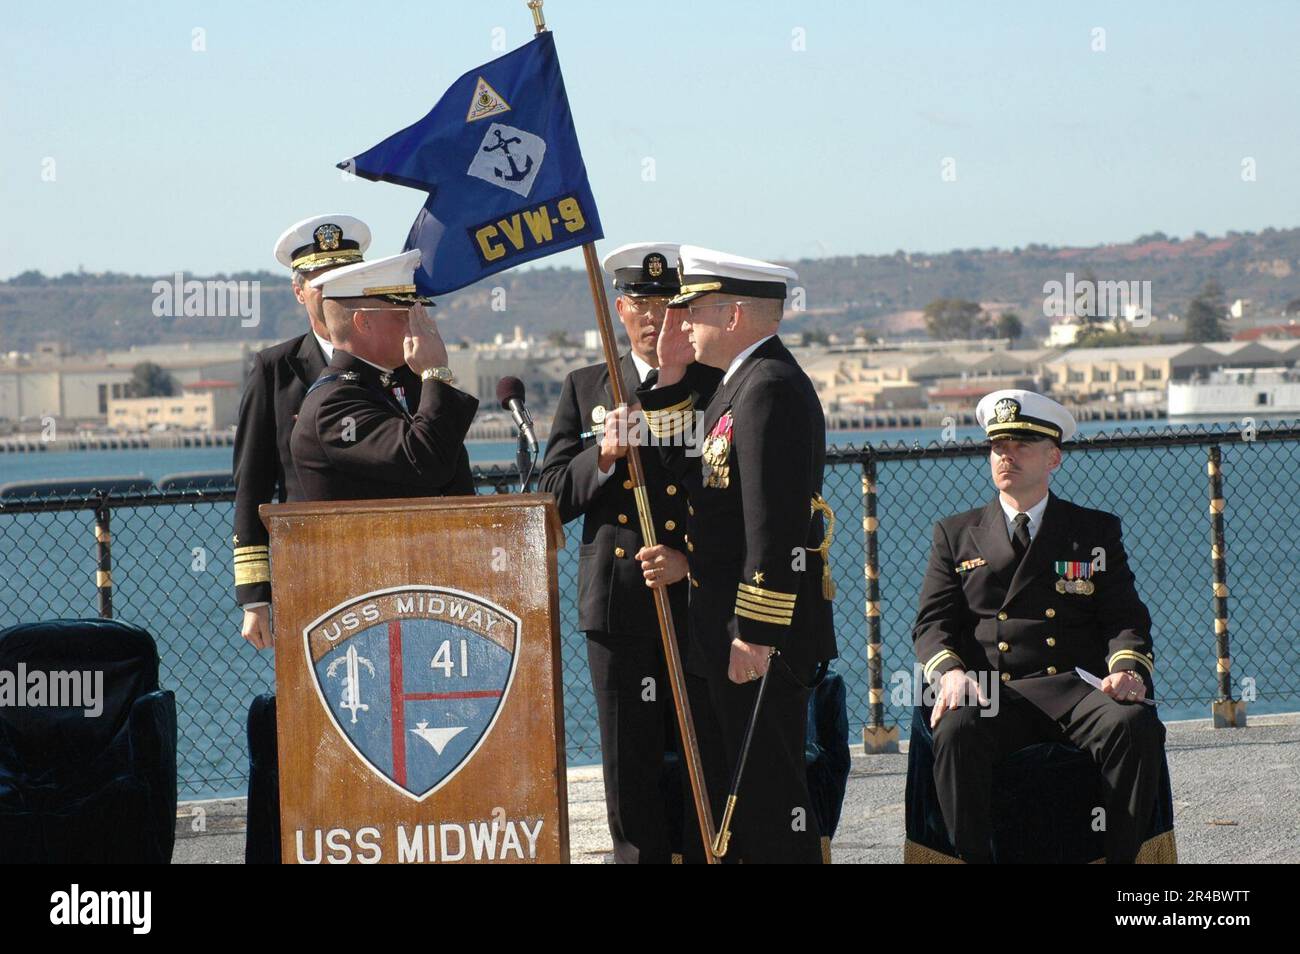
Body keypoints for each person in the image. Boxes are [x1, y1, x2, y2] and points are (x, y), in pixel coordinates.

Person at [634, 245, 837, 863]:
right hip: (724, 630)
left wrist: (754, 634)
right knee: (737, 803)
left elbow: (772, 531)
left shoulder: (768, 386)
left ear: (733, 315)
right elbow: (685, 473)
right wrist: (669, 375)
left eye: (692, 309)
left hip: (754, 639)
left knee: (771, 807)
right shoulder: (739, 383)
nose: (681, 321)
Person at [913, 389, 1166, 864]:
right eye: (998, 446)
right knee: (956, 728)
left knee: (1134, 724)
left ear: (1054, 457)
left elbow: (1123, 615)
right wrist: (949, 673)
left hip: (1072, 687)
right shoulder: (955, 533)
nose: (1006, 455)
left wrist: (1128, 668)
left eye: (1021, 444)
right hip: (991, 687)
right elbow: (933, 623)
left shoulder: (1093, 531)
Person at [539, 242, 720, 863]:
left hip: (697, 600)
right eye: (642, 303)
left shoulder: (714, 387)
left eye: (670, 303)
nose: (656, 317)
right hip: (617, 607)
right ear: (619, 308)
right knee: (630, 769)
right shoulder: (587, 385)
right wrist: (604, 456)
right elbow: (550, 498)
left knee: (701, 760)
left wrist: (691, 562)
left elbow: (734, 495)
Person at [234, 214, 394, 650]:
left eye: (345, 282)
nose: (331, 296)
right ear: (299, 290)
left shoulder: (395, 363)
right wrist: (255, 597)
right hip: (310, 568)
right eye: (322, 284)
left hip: (394, 563)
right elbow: (253, 483)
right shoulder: (274, 369)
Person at [290, 249, 477, 502]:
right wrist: (435, 373)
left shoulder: (389, 385)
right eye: (402, 315)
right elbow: (427, 462)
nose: (417, 326)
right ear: (363, 322)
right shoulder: (334, 406)